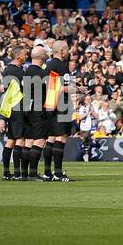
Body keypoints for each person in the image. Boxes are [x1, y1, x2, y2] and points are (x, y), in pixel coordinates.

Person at [43, 39, 75, 182]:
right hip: (61, 104)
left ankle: (47, 172)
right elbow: (65, 87)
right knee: (61, 137)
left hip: (49, 104)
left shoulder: (48, 66)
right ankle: (58, 173)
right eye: (67, 48)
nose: (69, 51)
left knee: (50, 138)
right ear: (62, 51)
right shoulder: (62, 66)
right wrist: (76, 88)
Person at [0, 44, 28, 180]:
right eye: (24, 54)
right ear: (18, 56)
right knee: (19, 139)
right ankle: (17, 174)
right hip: (17, 108)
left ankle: (6, 173)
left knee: (11, 140)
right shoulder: (16, 71)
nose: (26, 55)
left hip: (11, 108)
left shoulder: (9, 69)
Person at [20, 45, 50, 181]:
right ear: (42, 56)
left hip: (26, 108)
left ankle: (24, 173)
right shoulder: (41, 73)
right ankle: (32, 174)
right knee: (39, 141)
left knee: (28, 141)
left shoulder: (27, 71)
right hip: (38, 110)